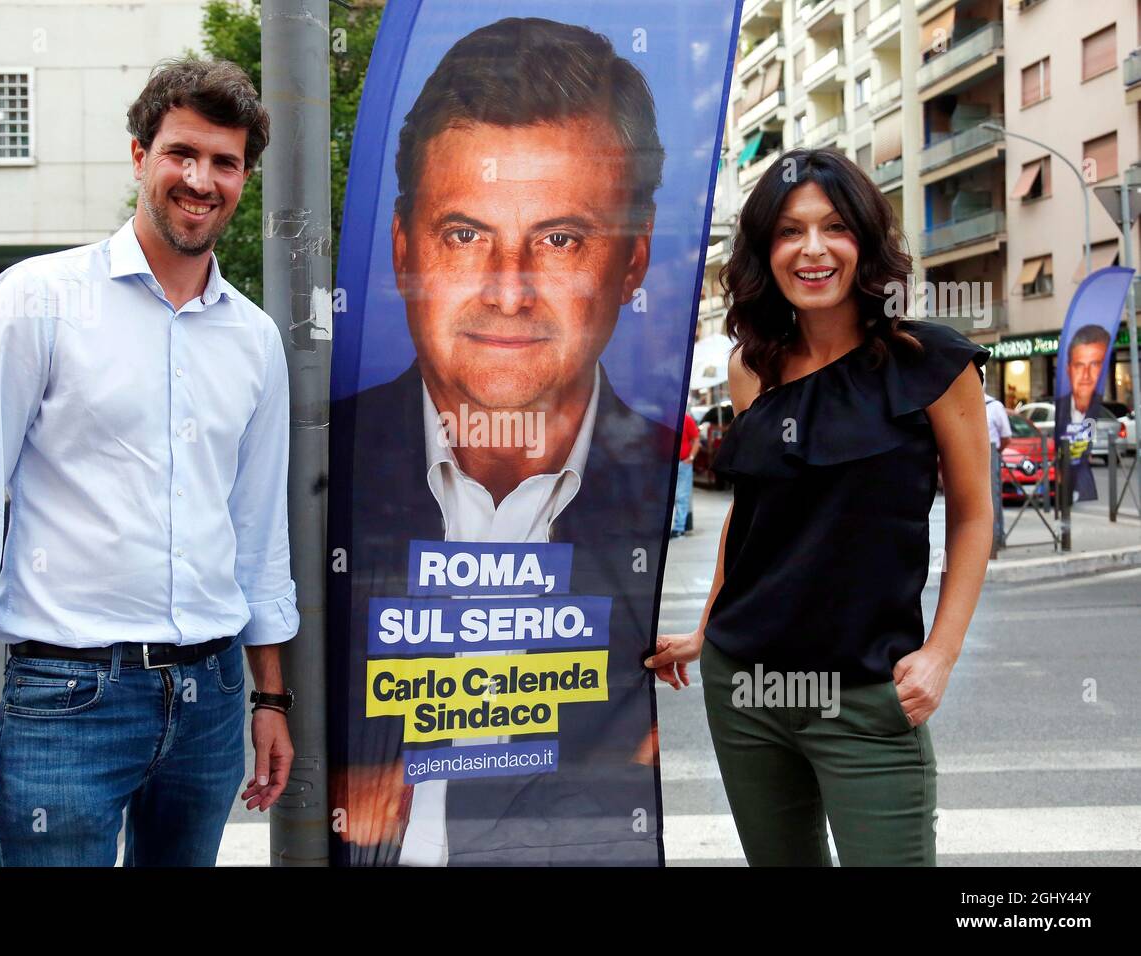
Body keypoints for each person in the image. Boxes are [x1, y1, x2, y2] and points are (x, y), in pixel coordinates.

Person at [0, 58, 299, 866]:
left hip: (212, 701)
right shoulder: (37, 299)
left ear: (244, 177)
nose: (201, 180)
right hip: (67, 700)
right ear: (139, 156)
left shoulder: (255, 340)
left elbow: (259, 535)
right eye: (181, 153)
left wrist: (269, 696)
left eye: (224, 162)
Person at [328, 17, 672, 866]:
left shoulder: (659, 472)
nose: (507, 291)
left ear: (633, 261)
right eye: (465, 234)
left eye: (560, 239)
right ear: (405, 246)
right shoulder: (325, 461)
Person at [645, 148, 992, 866]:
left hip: (867, 693)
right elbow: (755, 522)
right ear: (764, 251)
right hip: (744, 686)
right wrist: (710, 628)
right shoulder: (752, 368)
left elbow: (971, 514)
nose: (812, 249)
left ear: (862, 240)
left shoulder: (931, 363)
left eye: (833, 227)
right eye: (788, 231)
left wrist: (940, 655)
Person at [1054, 323, 1111, 501]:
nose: (1086, 375)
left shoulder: (1095, 408)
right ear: (1068, 369)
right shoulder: (1060, 408)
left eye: (1094, 365)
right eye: (1079, 365)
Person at [985, 392, 1012, 550]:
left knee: (993, 497)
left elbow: (1006, 437)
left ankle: (996, 540)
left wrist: (996, 452)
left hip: (991, 456)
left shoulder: (995, 406)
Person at [671, 409, 700, 537]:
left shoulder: (686, 419)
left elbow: (696, 440)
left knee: (681, 496)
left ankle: (679, 528)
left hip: (683, 462)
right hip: (668, 463)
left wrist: (691, 457)